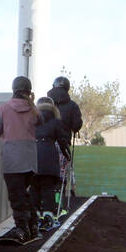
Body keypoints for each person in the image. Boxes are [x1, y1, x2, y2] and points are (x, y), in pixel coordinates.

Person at [0, 76, 42, 244]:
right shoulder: (34, 109)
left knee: (16, 196)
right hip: (30, 159)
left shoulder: (4, 109)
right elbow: (40, 122)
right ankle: (33, 224)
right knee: (24, 193)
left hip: (12, 159)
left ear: (13, 89)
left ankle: (22, 229)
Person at [30, 97, 72, 231]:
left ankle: (34, 217)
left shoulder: (31, 120)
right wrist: (67, 155)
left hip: (32, 156)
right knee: (48, 188)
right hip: (48, 156)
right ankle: (48, 217)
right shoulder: (55, 122)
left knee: (34, 188)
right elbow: (62, 140)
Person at [47, 76, 83, 207]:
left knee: (46, 174)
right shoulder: (72, 105)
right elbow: (76, 125)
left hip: (45, 144)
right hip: (63, 144)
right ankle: (58, 202)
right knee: (61, 176)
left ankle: (45, 203)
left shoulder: (45, 103)